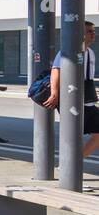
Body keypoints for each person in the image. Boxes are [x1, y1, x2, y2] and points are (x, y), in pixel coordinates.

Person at [44, 20, 99, 159]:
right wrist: (54, 92)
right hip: (71, 99)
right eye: (89, 31)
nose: (93, 34)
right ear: (81, 34)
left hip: (88, 101)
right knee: (73, 134)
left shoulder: (91, 53)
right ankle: (69, 165)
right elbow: (56, 70)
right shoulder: (68, 50)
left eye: (94, 31)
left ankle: (76, 161)